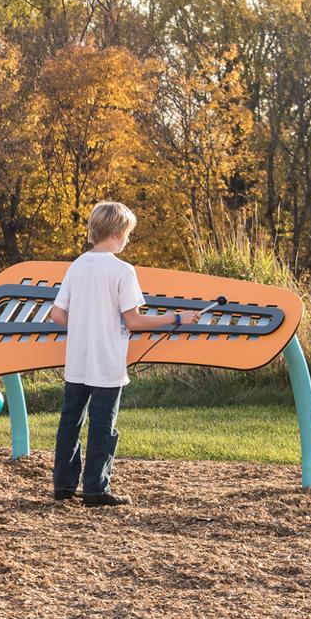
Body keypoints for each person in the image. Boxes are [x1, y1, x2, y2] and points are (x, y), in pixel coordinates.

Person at [46, 201, 192, 508]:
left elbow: (57, 314)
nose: (128, 239)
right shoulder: (123, 271)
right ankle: (96, 489)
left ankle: (63, 486)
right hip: (107, 363)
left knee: (70, 422)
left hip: (77, 361)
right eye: (128, 233)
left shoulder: (77, 265)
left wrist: (85, 325)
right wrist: (175, 318)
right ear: (117, 232)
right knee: (102, 425)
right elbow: (134, 320)